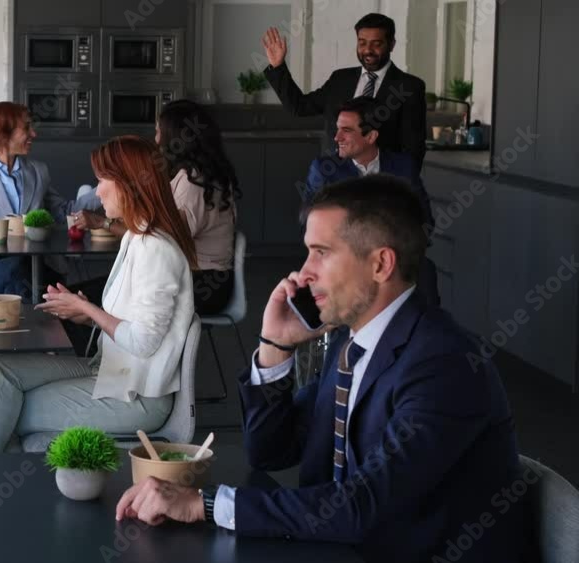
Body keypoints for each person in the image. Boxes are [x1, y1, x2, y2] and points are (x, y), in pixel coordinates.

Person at [114, 176, 528, 563]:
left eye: (321, 253)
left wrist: (201, 503)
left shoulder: (445, 364)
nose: (304, 271)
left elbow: (365, 506)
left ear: (381, 265)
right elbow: (270, 452)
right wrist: (275, 347)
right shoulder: (353, 344)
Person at [0, 136, 196, 454]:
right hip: (112, 369)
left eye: (102, 181)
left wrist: (88, 308)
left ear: (129, 184)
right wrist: (86, 316)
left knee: (6, 409)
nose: (96, 191)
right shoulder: (137, 238)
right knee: (3, 369)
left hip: (136, 395)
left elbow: (143, 342)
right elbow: (134, 322)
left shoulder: (155, 249)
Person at [74, 99, 240, 315]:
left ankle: (102, 344)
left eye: (158, 132)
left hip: (201, 284)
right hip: (201, 278)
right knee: (91, 294)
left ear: (174, 139)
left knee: (90, 299)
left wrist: (103, 222)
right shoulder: (201, 176)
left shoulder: (192, 183)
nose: (155, 139)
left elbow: (161, 241)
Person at [0, 101, 101, 299]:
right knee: (20, 277)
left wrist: (106, 188)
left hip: (38, 262)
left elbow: (64, 212)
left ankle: (30, 319)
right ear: (4, 133)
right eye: (27, 128)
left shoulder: (38, 171)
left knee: (23, 280)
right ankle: (41, 318)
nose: (33, 134)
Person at [306, 96, 439, 306]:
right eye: (338, 129)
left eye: (346, 130)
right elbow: (310, 223)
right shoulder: (324, 171)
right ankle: (348, 339)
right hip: (345, 260)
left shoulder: (403, 167)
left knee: (425, 274)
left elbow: (424, 220)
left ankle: (419, 336)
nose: (337, 137)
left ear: (371, 136)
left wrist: (395, 252)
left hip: (393, 258)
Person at [262, 13, 427, 171]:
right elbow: (299, 107)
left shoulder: (409, 87)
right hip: (335, 176)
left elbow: (413, 149)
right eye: (362, 43)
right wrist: (278, 67)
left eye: (376, 44)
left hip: (381, 185)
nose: (368, 50)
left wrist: (399, 190)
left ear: (391, 44)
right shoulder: (340, 79)